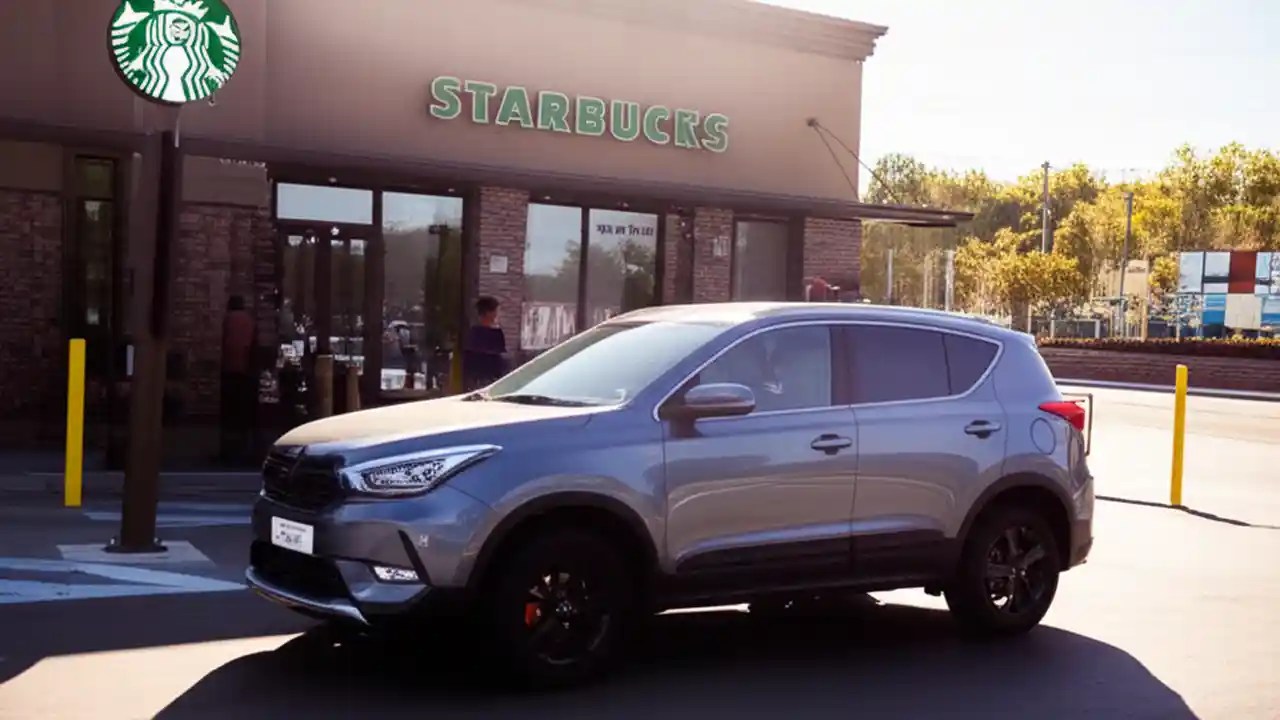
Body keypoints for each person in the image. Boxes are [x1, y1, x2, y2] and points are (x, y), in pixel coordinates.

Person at [219, 295, 257, 463]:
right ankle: (243, 447)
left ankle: (229, 449)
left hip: (229, 369)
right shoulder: (248, 320)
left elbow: (225, 343)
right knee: (243, 412)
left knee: (229, 412)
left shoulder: (228, 320)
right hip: (246, 369)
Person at [463, 296, 508, 391]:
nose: (497, 314)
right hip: (483, 378)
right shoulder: (478, 333)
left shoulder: (475, 332)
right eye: (496, 311)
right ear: (489, 313)